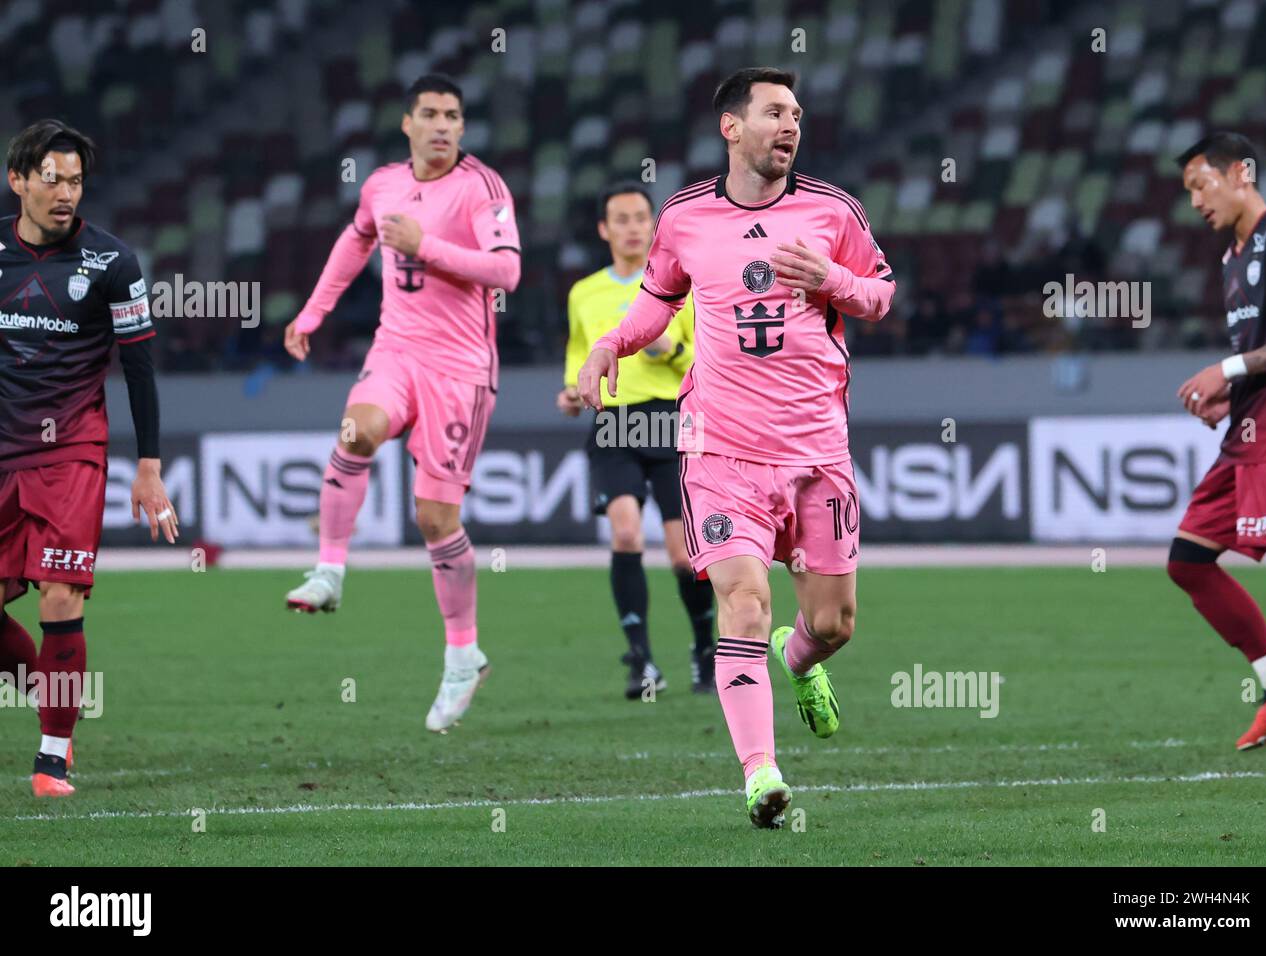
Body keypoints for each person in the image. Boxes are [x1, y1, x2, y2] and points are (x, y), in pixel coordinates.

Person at [577, 68, 894, 827]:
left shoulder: (831, 211)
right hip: (721, 452)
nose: (791, 125)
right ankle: (762, 776)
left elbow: (881, 295)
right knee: (743, 603)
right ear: (732, 127)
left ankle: (798, 662)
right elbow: (655, 301)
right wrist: (607, 348)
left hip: (817, 451)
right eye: (775, 112)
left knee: (834, 625)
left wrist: (834, 279)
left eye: (797, 114)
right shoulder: (685, 217)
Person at [282, 74, 521, 734]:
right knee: (356, 432)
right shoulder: (383, 183)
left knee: (435, 520)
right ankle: (329, 570)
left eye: (453, 116)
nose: (443, 126)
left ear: (463, 128)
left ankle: (462, 654)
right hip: (396, 351)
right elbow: (357, 238)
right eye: (431, 115)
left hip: (461, 371)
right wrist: (312, 313)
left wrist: (426, 246)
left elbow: (507, 272)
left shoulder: (482, 189)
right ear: (407, 123)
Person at [0, 120, 177, 797]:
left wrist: (149, 464)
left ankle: (52, 755)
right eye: (52, 178)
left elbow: (140, 366)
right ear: (19, 180)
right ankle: (54, 692)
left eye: (75, 180)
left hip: (71, 448)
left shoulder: (112, 264)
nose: (66, 192)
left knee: (59, 595)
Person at [558, 182, 716, 699]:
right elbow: (579, 359)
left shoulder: (680, 284)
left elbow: (706, 362)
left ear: (653, 225)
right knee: (625, 534)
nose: (631, 227)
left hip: (673, 422)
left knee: (685, 556)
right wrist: (571, 393)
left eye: (640, 218)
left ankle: (704, 649)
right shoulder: (584, 293)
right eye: (620, 219)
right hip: (615, 425)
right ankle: (642, 661)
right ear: (604, 229)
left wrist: (670, 348)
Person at [1171, 132, 1266, 753]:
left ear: (1241, 172)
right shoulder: (1231, 258)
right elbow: (1263, 350)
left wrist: (1228, 371)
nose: (1196, 201)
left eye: (1202, 185)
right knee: (1187, 561)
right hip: (1247, 430)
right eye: (1189, 192)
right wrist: (1230, 393)